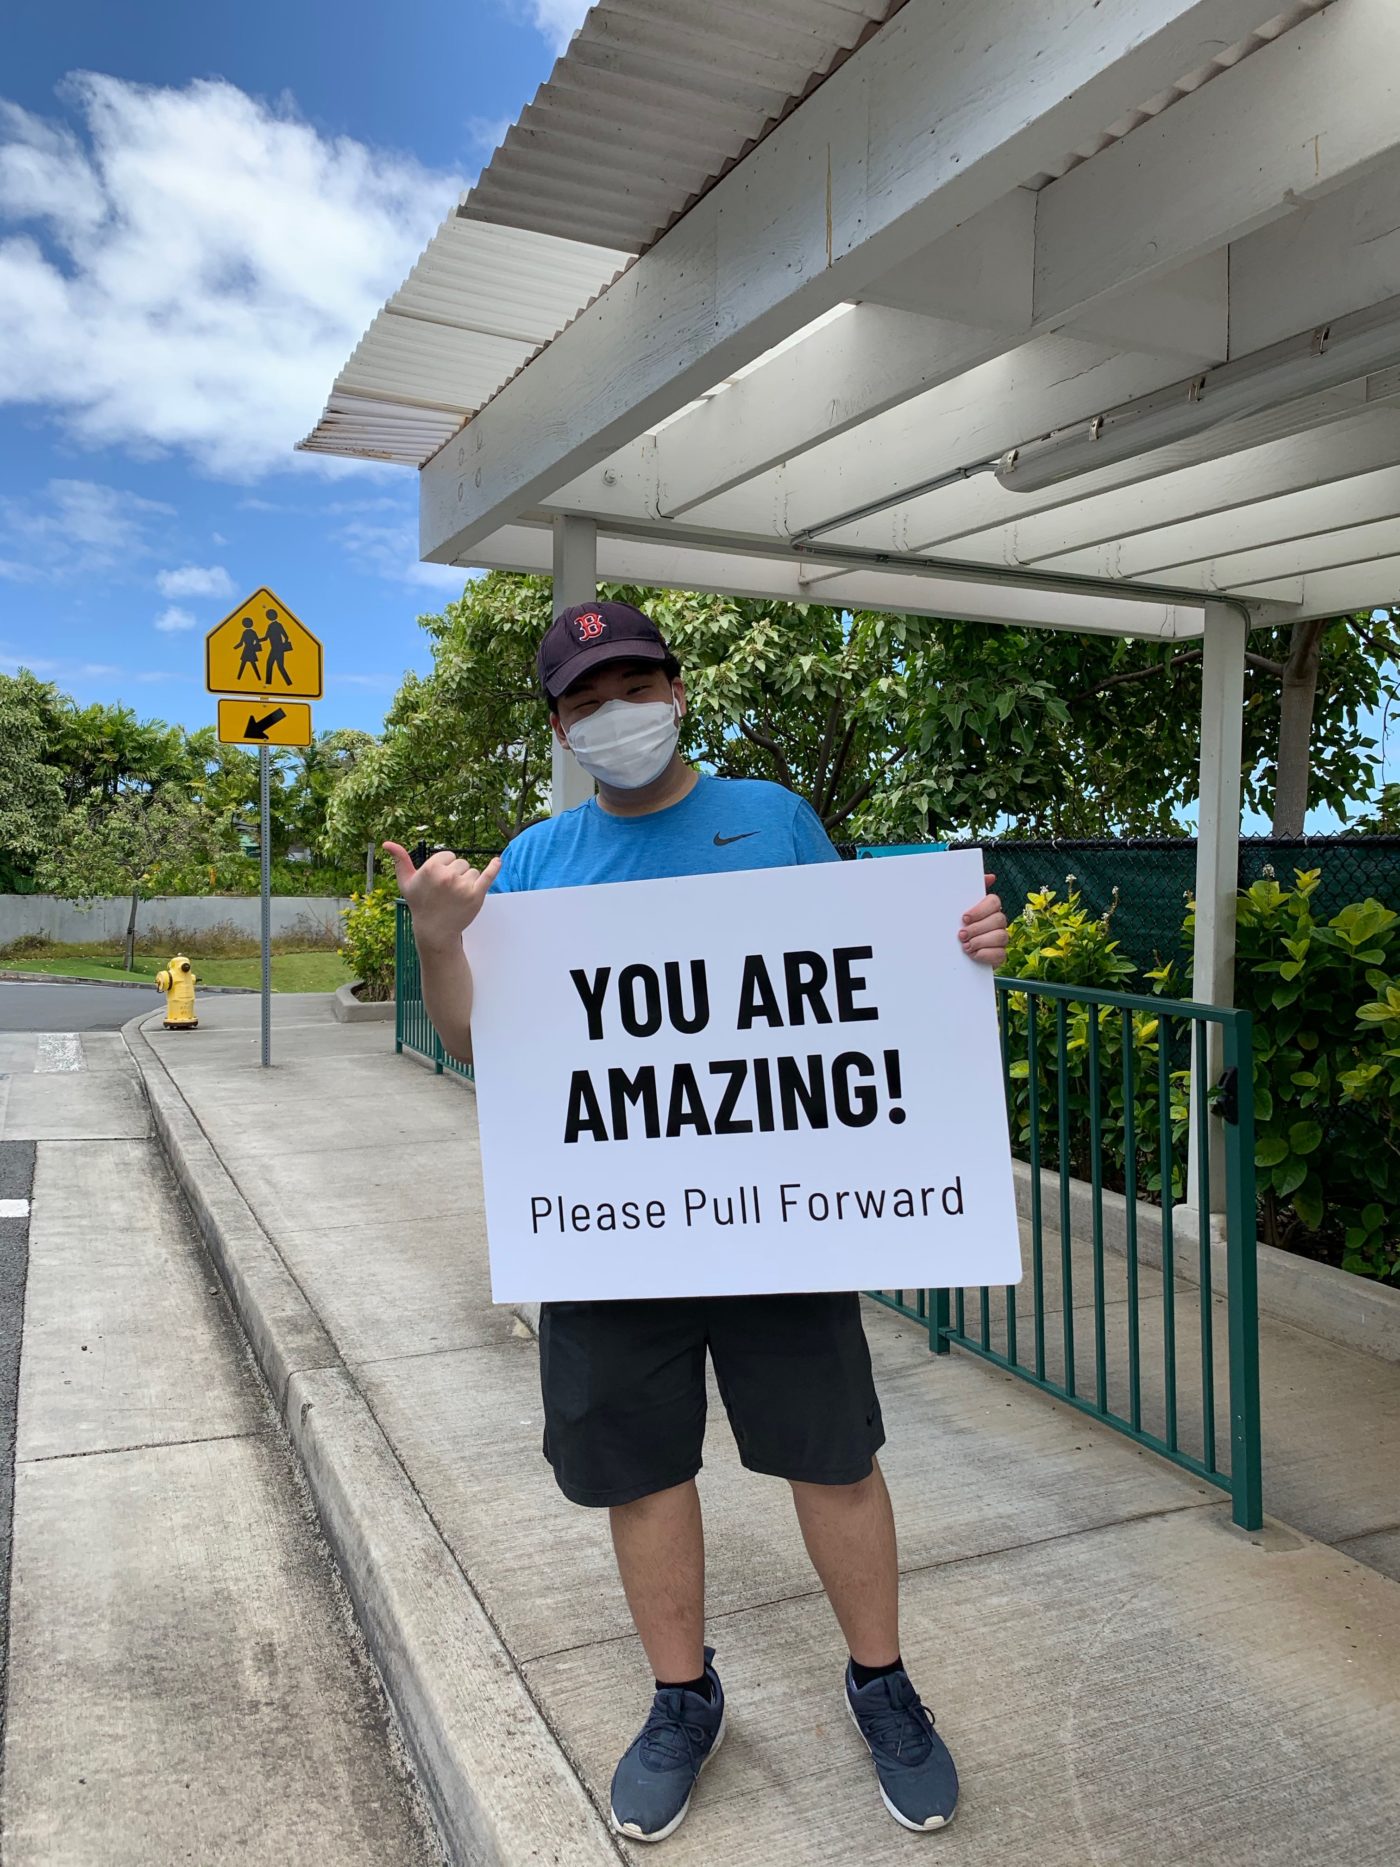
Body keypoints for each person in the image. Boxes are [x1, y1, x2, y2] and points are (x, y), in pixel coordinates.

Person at [385, 599, 1009, 1845]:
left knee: (831, 1454)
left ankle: (880, 1685)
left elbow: (861, 986)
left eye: (633, 682)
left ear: (676, 689)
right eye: (584, 697)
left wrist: (962, 951)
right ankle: (683, 1697)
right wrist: (440, 937)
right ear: (559, 724)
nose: (613, 711)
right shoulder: (542, 859)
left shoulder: (772, 818)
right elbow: (475, 1041)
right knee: (641, 1469)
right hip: (615, 1230)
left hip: (776, 1219)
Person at [262, 609, 293, 686]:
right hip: (274, 649)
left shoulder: (279, 625)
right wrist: (257, 640)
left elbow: (286, 636)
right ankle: (269, 683)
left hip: (278, 649)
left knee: (278, 666)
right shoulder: (270, 626)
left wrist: (283, 646)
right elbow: (266, 638)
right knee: (272, 664)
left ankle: (288, 683)